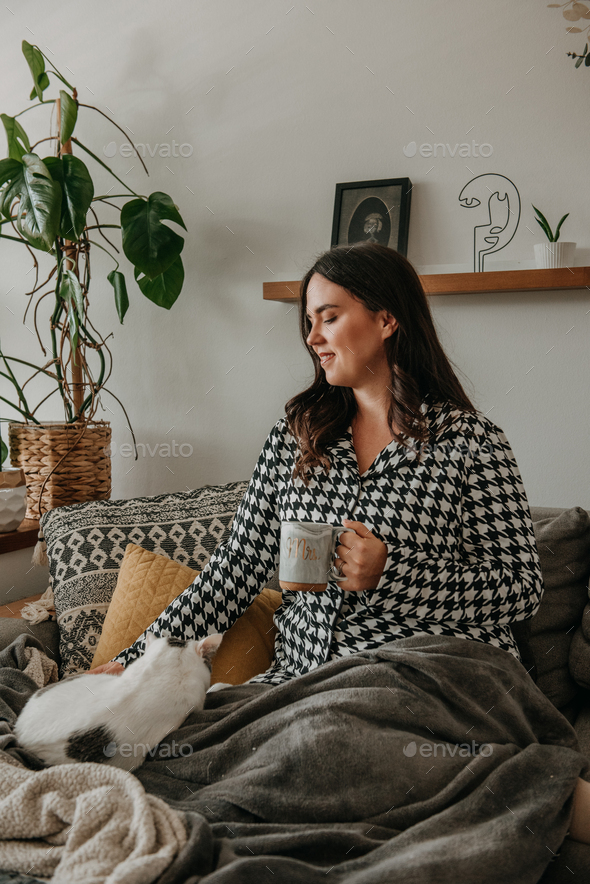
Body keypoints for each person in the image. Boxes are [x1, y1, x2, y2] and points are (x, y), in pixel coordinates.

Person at [91, 241, 590, 841]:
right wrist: (135, 660)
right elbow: (235, 569)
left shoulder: (470, 443)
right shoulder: (297, 436)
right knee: (174, 743)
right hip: (307, 681)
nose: (313, 336)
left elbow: (519, 589)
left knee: (326, 742)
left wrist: (395, 570)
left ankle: (520, 791)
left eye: (329, 316)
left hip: (431, 677)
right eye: (308, 321)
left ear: (386, 319)